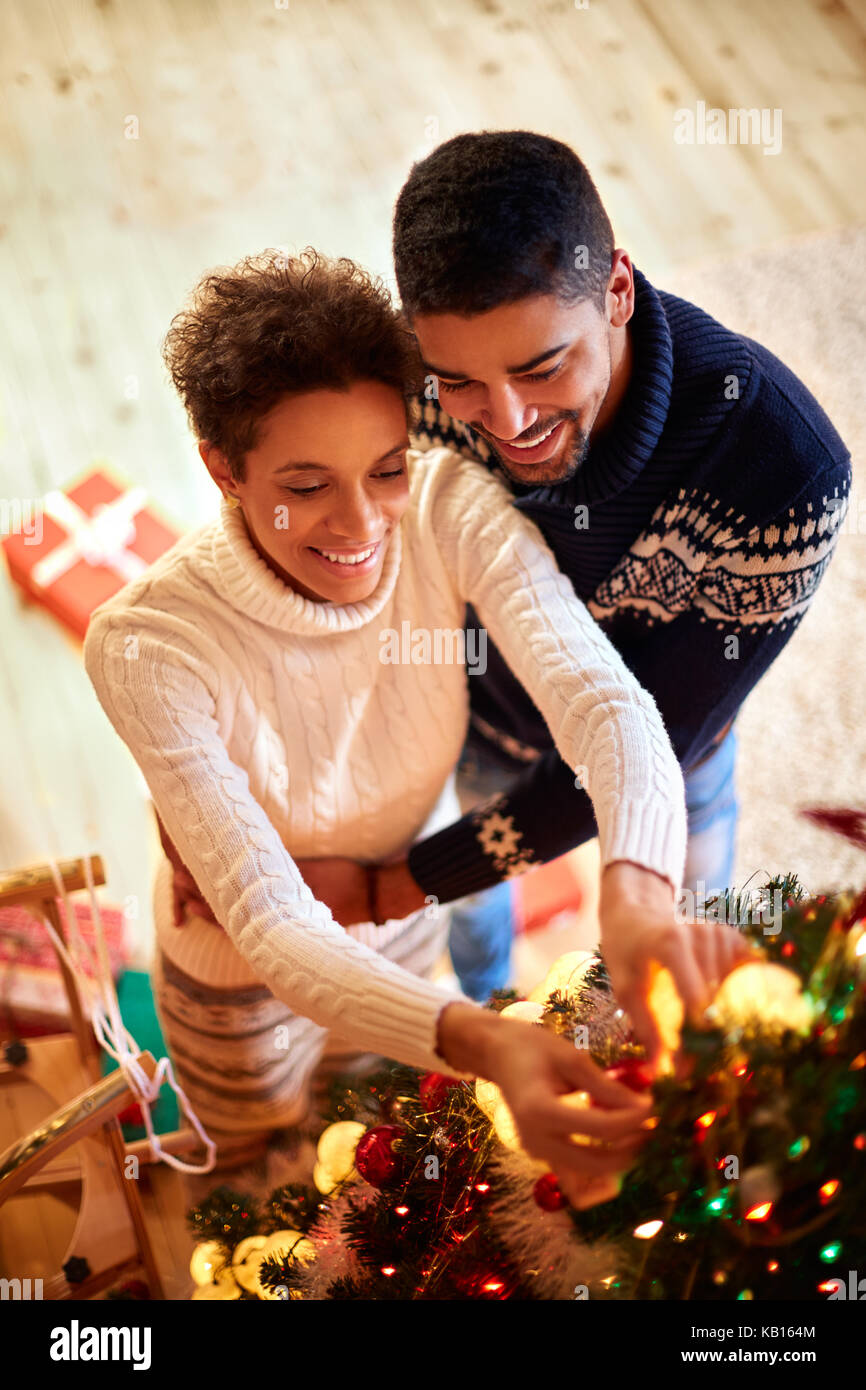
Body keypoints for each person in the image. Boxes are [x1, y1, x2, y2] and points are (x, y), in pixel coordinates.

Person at [84, 249, 747, 1192]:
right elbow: (271, 919)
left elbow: (606, 704)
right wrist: (480, 1039)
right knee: (240, 1177)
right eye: (306, 486)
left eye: (384, 467)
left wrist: (636, 893)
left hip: (396, 927)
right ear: (223, 469)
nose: (360, 524)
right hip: (235, 975)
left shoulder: (444, 502)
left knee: (364, 1162)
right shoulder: (146, 644)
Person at [324, 127, 850, 1002]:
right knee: (476, 911)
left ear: (615, 290)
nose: (505, 421)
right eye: (459, 381)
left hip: (676, 750)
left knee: (682, 961)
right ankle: (489, 996)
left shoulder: (784, 467)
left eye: (543, 366)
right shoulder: (411, 390)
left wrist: (392, 887)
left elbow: (654, 734)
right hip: (480, 711)